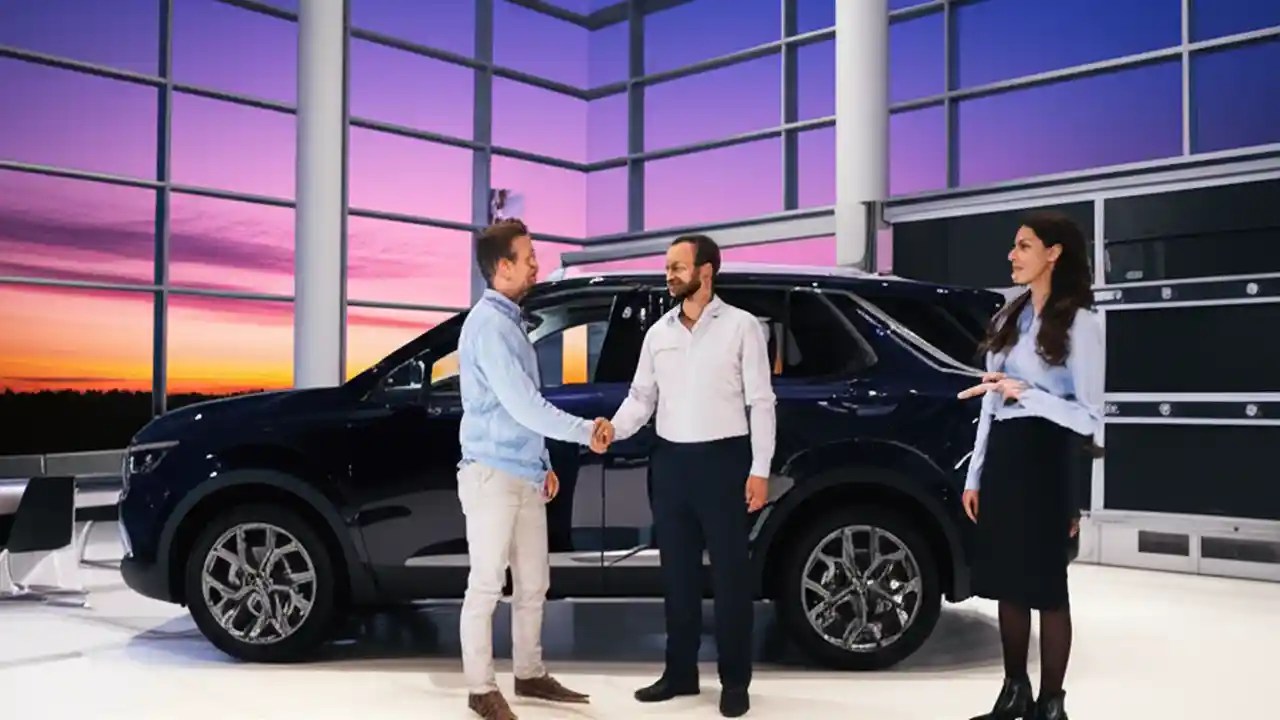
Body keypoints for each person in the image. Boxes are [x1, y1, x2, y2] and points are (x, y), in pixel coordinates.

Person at [593, 234, 775, 718]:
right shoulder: (659, 333)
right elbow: (640, 399)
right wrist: (614, 427)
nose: (669, 274)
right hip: (670, 464)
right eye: (668, 266)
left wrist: (759, 470)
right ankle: (680, 673)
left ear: (706, 271)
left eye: (678, 266)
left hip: (725, 463)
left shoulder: (741, 327)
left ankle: (735, 681)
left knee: (732, 578)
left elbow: (761, 402)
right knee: (678, 577)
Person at [456, 218, 610, 720]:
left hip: (521, 473)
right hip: (492, 475)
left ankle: (529, 673)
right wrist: (587, 431)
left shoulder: (510, 323)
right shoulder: (488, 326)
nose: (536, 266)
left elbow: (523, 409)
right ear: (503, 268)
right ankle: (481, 689)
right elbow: (523, 406)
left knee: (533, 584)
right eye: (528, 258)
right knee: (485, 587)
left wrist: (542, 462)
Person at [957, 211, 1103, 720]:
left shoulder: (1082, 323)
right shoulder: (1006, 317)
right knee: (1005, 581)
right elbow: (991, 403)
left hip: (1048, 459)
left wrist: (1030, 396)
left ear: (1054, 253)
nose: (1012, 256)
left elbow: (1089, 417)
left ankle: (1051, 704)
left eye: (1023, 246)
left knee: (1045, 585)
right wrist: (975, 475)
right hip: (1004, 458)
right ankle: (1013, 693)